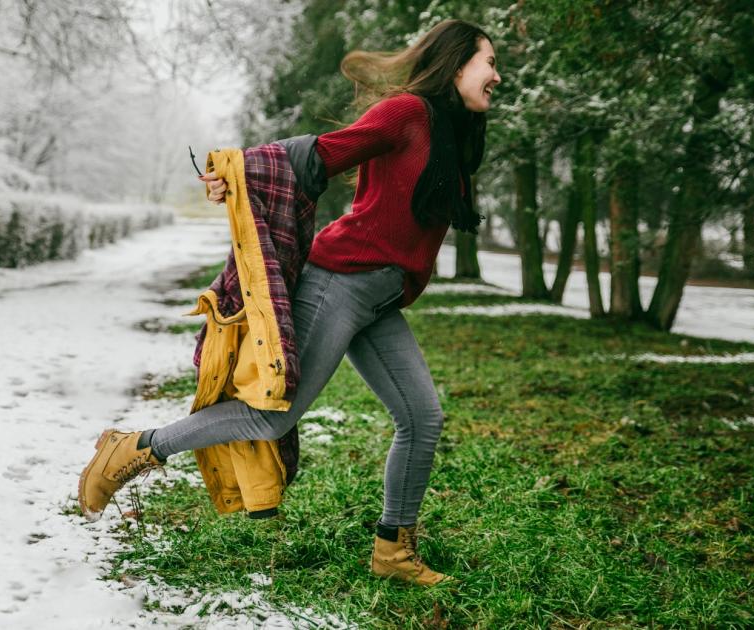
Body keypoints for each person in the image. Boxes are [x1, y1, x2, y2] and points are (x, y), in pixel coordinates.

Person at [78, 19, 501, 587]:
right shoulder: (407, 113)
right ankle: (133, 448)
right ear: (455, 64)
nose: (497, 75)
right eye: (488, 62)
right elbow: (320, 153)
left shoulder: (451, 133)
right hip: (342, 282)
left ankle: (393, 552)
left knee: (421, 417)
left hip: (380, 296)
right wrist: (237, 173)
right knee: (271, 414)